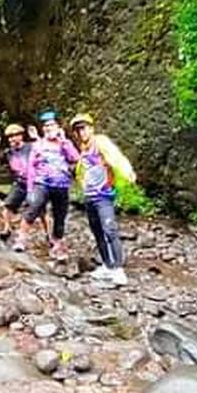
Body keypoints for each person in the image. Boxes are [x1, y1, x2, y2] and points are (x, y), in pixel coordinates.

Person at [70, 113, 136, 286]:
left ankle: (118, 270)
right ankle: (108, 265)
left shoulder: (100, 141)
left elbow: (115, 156)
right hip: (90, 197)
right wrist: (81, 185)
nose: (81, 132)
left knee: (110, 229)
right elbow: (82, 169)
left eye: (83, 128)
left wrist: (126, 170)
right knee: (97, 231)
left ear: (91, 128)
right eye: (78, 130)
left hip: (103, 196)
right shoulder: (83, 148)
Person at [20, 111, 79, 260]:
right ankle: (21, 238)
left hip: (62, 185)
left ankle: (57, 243)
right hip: (42, 183)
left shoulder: (65, 143)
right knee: (34, 207)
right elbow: (31, 167)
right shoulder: (38, 144)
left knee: (60, 217)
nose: (48, 128)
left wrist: (64, 141)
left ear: (58, 127)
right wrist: (29, 189)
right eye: (46, 125)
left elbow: (75, 158)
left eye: (51, 125)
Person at [0, 123, 49, 249]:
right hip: (19, 183)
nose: (12, 139)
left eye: (15, 136)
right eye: (10, 137)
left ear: (21, 136)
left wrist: (37, 137)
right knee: (6, 207)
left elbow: (44, 153)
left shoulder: (31, 147)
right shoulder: (9, 152)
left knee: (41, 211)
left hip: (34, 183)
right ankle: (7, 229)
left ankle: (49, 233)